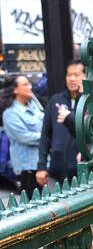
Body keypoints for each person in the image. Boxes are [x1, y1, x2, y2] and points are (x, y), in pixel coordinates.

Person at [36, 59, 83, 190]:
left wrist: (82, 95)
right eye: (69, 75)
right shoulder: (56, 101)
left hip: (81, 170)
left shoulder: (89, 102)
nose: (72, 79)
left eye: (76, 75)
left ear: (85, 76)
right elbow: (45, 135)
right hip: (57, 170)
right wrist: (41, 166)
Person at [1, 74, 44, 196]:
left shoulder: (34, 106)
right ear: (15, 90)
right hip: (28, 166)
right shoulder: (10, 113)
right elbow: (25, 137)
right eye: (25, 84)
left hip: (42, 162)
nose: (29, 87)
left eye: (29, 83)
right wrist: (46, 137)